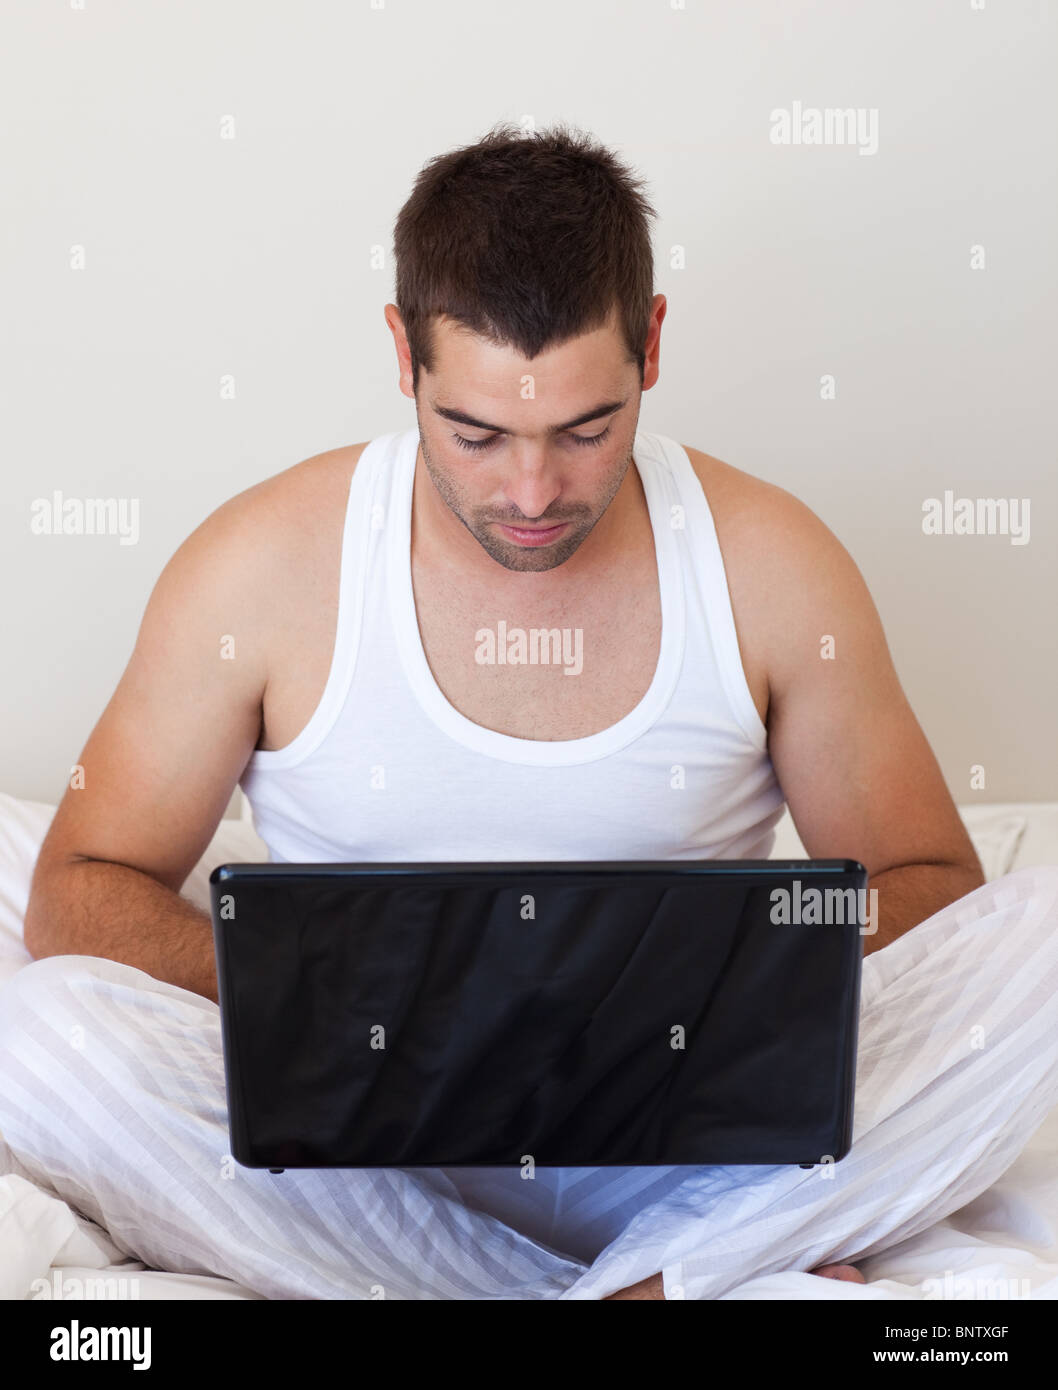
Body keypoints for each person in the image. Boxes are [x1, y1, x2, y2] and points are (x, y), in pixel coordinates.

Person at [3, 122, 1056, 1300]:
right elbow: (79, 884)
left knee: (1046, 940)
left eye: (584, 428)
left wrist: (699, 980)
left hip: (687, 1141)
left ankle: (654, 1262)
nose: (533, 491)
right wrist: (334, 996)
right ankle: (632, 1287)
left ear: (649, 345)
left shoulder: (771, 563)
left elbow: (930, 882)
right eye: (477, 433)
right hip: (367, 1153)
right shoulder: (258, 569)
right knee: (42, 1038)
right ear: (404, 352)